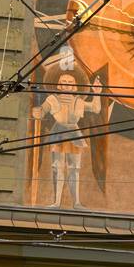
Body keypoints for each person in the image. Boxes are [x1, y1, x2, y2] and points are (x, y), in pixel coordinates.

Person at [32, 72, 102, 208]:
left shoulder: (78, 101)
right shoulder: (52, 99)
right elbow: (41, 112)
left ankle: (76, 203)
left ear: (75, 87)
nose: (67, 85)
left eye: (70, 83)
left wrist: (97, 93)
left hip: (74, 133)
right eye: (64, 82)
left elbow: (95, 108)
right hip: (57, 132)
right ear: (59, 85)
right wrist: (37, 110)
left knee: (74, 168)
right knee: (57, 167)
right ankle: (57, 202)